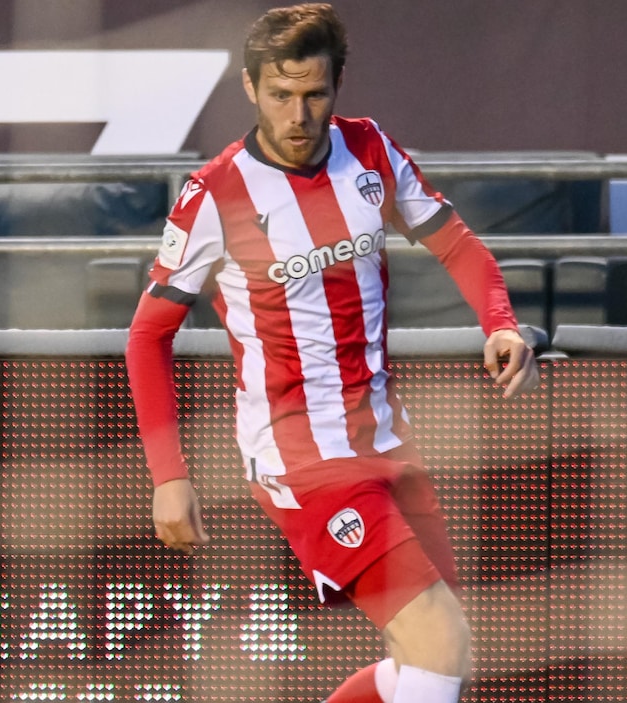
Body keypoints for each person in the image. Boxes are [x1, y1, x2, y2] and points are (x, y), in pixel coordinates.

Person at [124, 4, 539, 703]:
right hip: (302, 458)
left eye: (315, 94)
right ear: (251, 90)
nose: (298, 115)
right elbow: (146, 335)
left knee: (439, 651)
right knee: (437, 638)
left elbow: (458, 245)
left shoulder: (370, 150)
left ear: (338, 87)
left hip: (385, 437)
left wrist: (501, 321)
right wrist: (169, 475)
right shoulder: (215, 193)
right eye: (281, 95)